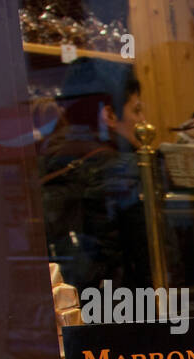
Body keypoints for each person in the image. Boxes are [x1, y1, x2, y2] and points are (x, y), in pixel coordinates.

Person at [39, 57, 151, 294]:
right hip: (125, 313)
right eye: (137, 109)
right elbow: (151, 261)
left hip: (67, 307)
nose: (143, 121)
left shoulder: (44, 162)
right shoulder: (125, 168)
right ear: (109, 115)